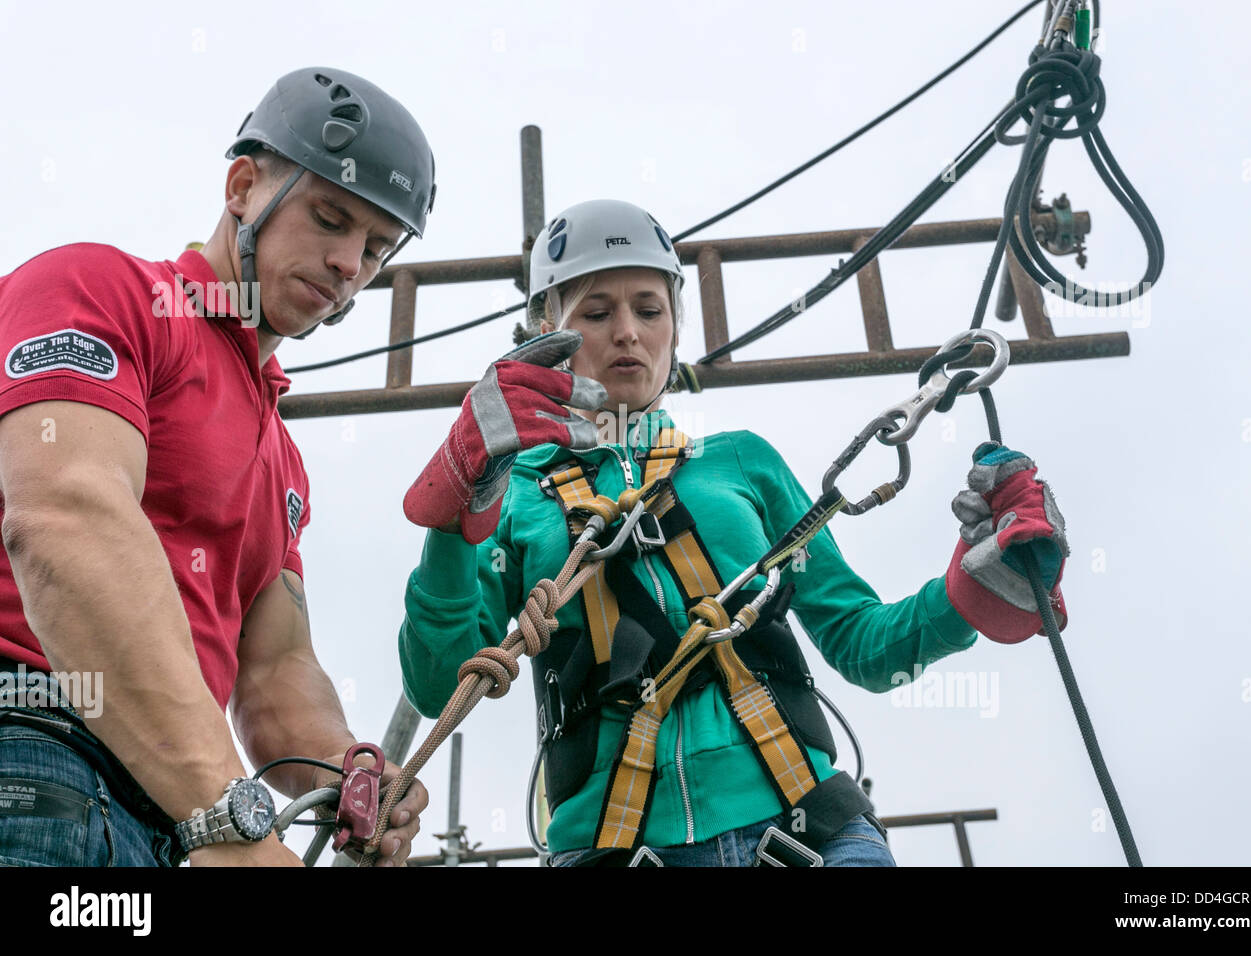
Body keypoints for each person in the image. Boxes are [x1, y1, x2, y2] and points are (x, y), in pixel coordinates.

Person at [398, 199, 1068, 867]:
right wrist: (459, 500)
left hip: (810, 835)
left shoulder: (741, 462)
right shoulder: (511, 493)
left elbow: (866, 646)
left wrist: (966, 595)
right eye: (597, 313)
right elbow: (437, 682)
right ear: (548, 328)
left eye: (649, 310)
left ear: (676, 329)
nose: (627, 332)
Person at [0, 67, 436, 866]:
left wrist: (349, 767)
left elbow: (273, 672)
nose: (350, 265)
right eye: (330, 219)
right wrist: (226, 815)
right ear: (244, 185)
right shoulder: (101, 292)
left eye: (376, 249)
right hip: (32, 758)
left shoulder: (282, 461)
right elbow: (65, 522)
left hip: (166, 810)